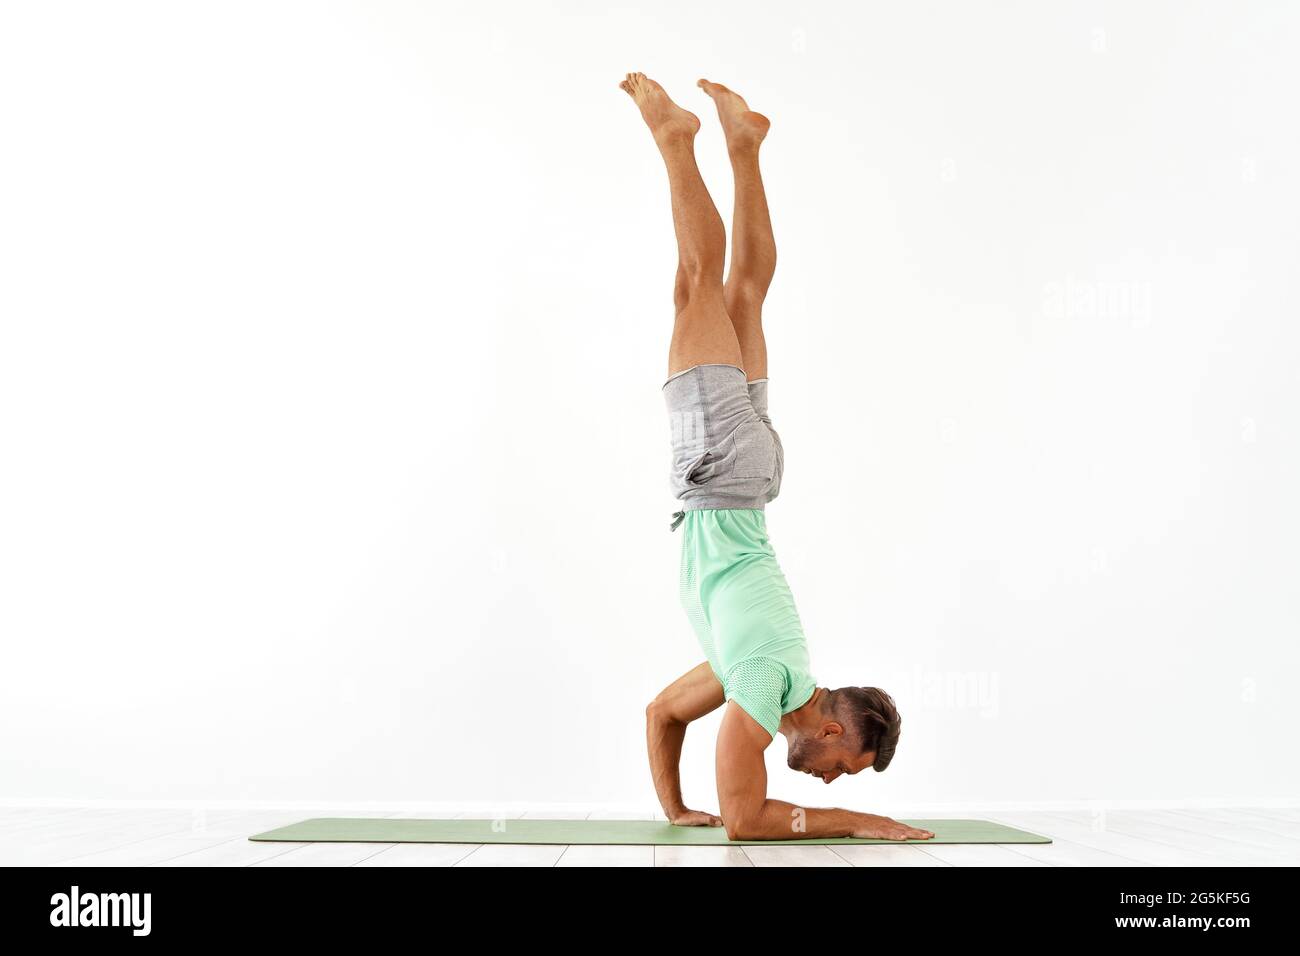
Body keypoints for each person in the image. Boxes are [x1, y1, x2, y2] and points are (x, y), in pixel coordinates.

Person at [622, 72, 934, 842]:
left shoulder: (756, 671)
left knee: (745, 296)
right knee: (697, 286)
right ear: (832, 731)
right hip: (724, 476)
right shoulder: (763, 680)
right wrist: (859, 820)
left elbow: (662, 713)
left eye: (840, 783)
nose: (831, 777)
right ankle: (678, 139)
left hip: (752, 480)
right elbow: (744, 823)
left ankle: (746, 145)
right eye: (845, 766)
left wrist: (671, 809)